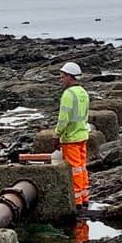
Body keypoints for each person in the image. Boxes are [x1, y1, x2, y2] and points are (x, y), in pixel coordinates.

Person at [55, 62, 90, 209]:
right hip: (82, 135)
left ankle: (76, 201)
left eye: (63, 77)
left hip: (71, 138)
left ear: (70, 77)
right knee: (81, 167)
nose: (61, 79)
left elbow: (63, 119)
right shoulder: (83, 92)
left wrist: (56, 135)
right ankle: (84, 197)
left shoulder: (68, 94)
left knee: (74, 169)